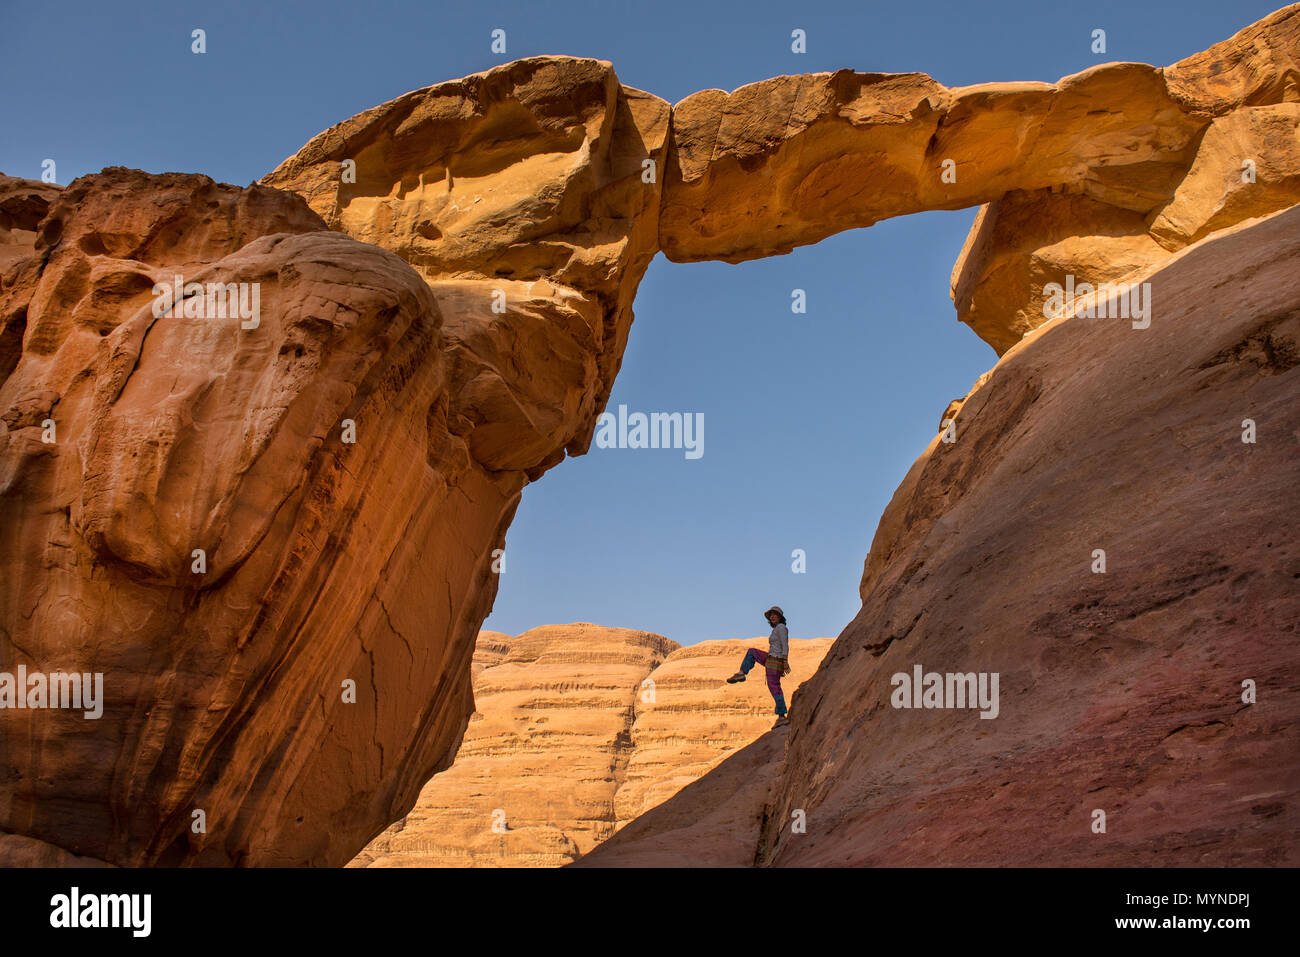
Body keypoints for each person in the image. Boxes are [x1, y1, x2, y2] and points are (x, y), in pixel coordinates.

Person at [727, 605, 792, 728]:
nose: (772, 616)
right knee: (752, 652)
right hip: (771, 658)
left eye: (775, 614)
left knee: (774, 687)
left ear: (780, 617)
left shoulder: (782, 628)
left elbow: (785, 644)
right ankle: (741, 673)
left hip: (776, 660)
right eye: (771, 615)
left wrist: (785, 660)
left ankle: (782, 716)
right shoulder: (776, 629)